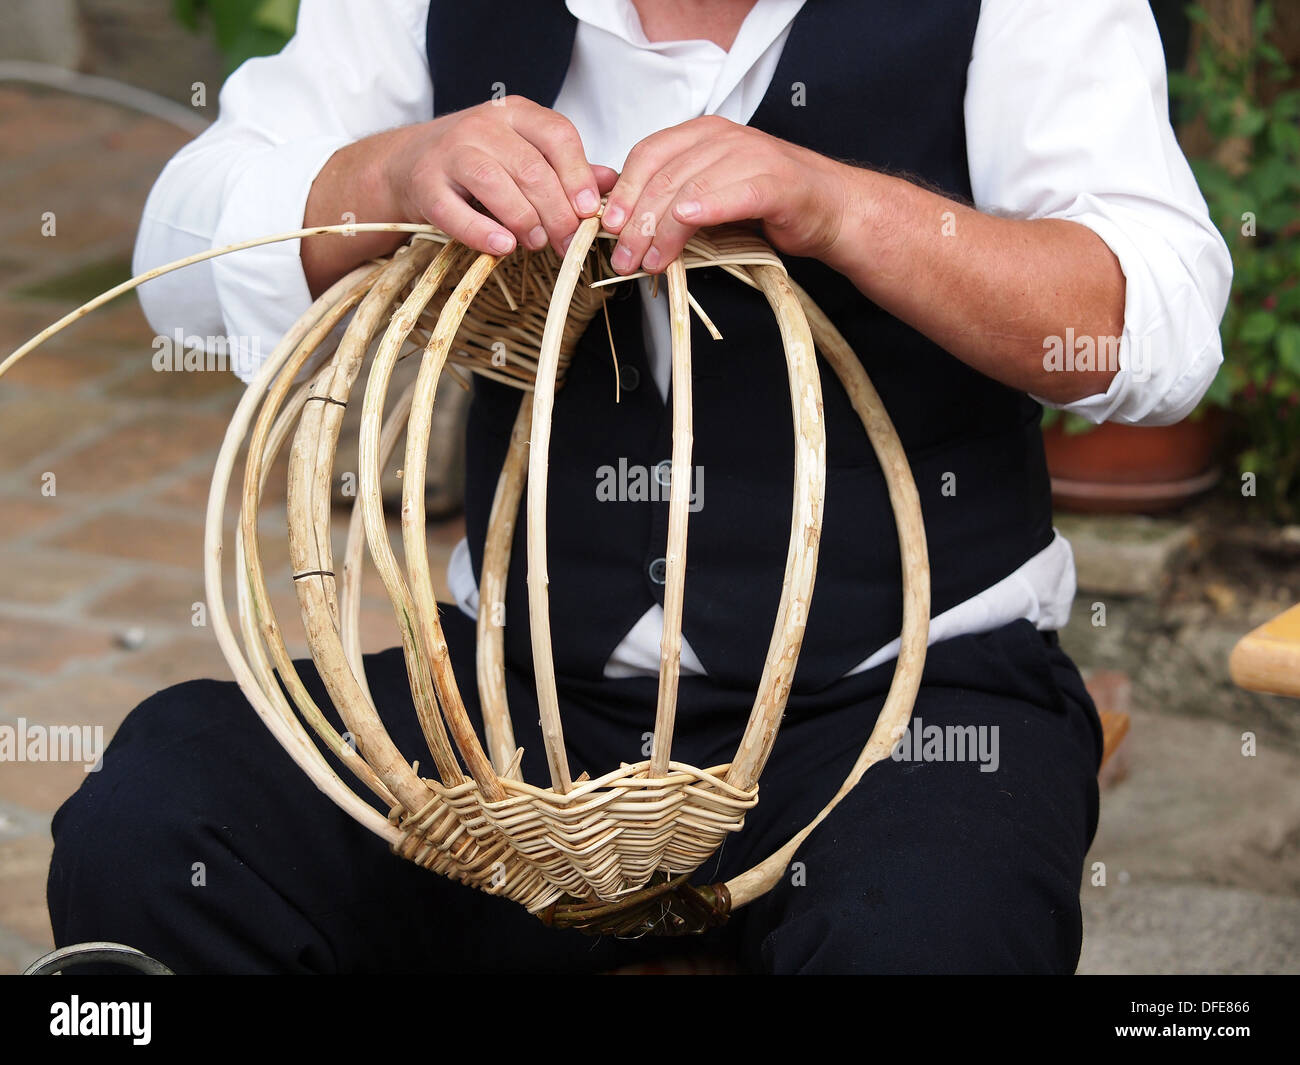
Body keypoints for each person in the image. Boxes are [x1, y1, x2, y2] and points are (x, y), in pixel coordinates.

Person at [48, 0, 1230, 973]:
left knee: (923, 939)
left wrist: (844, 207)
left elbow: (1161, 327)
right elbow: (179, 265)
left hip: (906, 701)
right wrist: (386, 173)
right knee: (164, 820)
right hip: (513, 705)